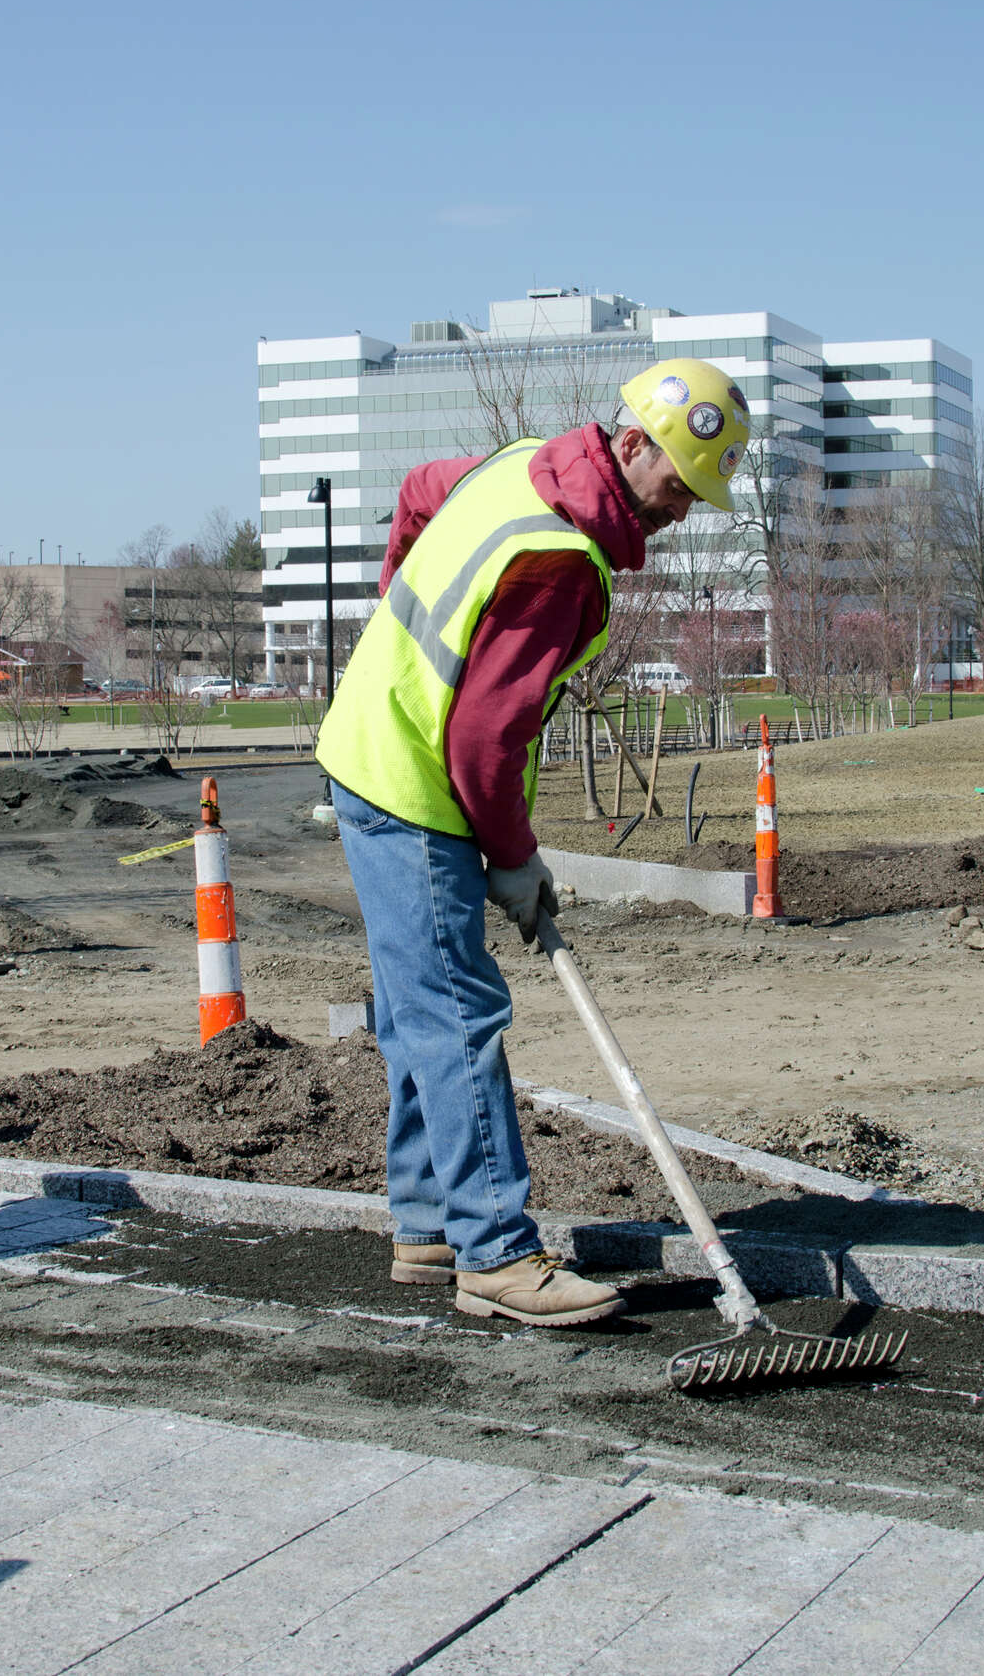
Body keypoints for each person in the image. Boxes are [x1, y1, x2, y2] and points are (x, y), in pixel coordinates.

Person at [316, 359, 750, 1325]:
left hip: (370, 744)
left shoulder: (520, 465)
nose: (680, 511)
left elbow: (420, 490)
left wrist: (397, 609)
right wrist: (512, 854)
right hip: (412, 780)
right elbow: (483, 739)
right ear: (631, 444)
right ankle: (497, 1256)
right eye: (678, 483)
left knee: (417, 1005)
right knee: (458, 1014)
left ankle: (429, 1225)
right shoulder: (560, 562)